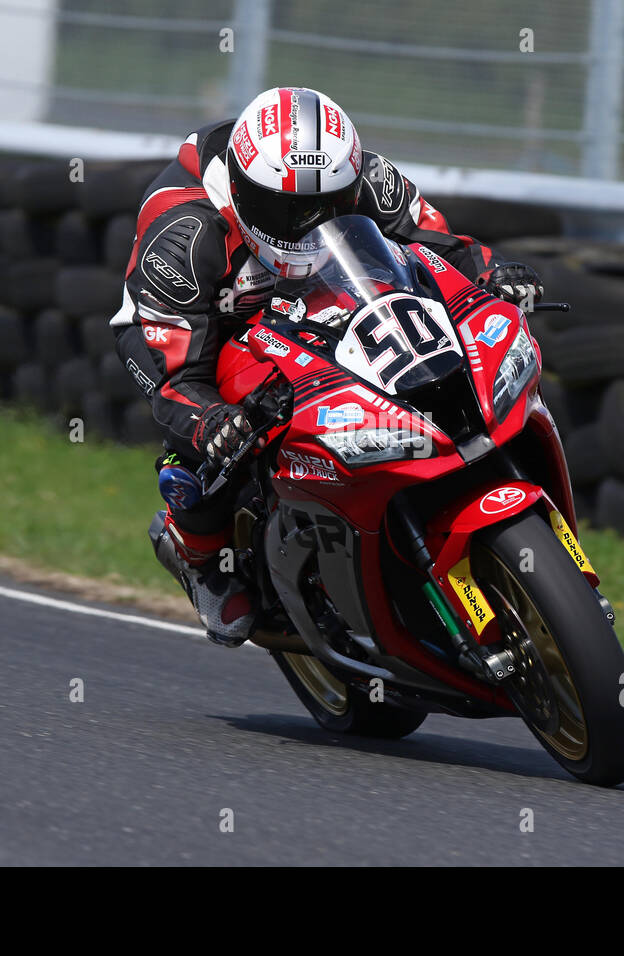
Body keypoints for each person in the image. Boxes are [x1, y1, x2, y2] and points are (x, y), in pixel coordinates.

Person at [111, 87, 542, 646]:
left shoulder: (366, 179)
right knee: (219, 439)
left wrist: (495, 273)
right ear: (244, 192)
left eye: (328, 205)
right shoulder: (185, 241)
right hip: (205, 326)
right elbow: (176, 377)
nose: (308, 221)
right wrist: (211, 419)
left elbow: (444, 246)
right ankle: (200, 556)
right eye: (285, 209)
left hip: (329, 287)